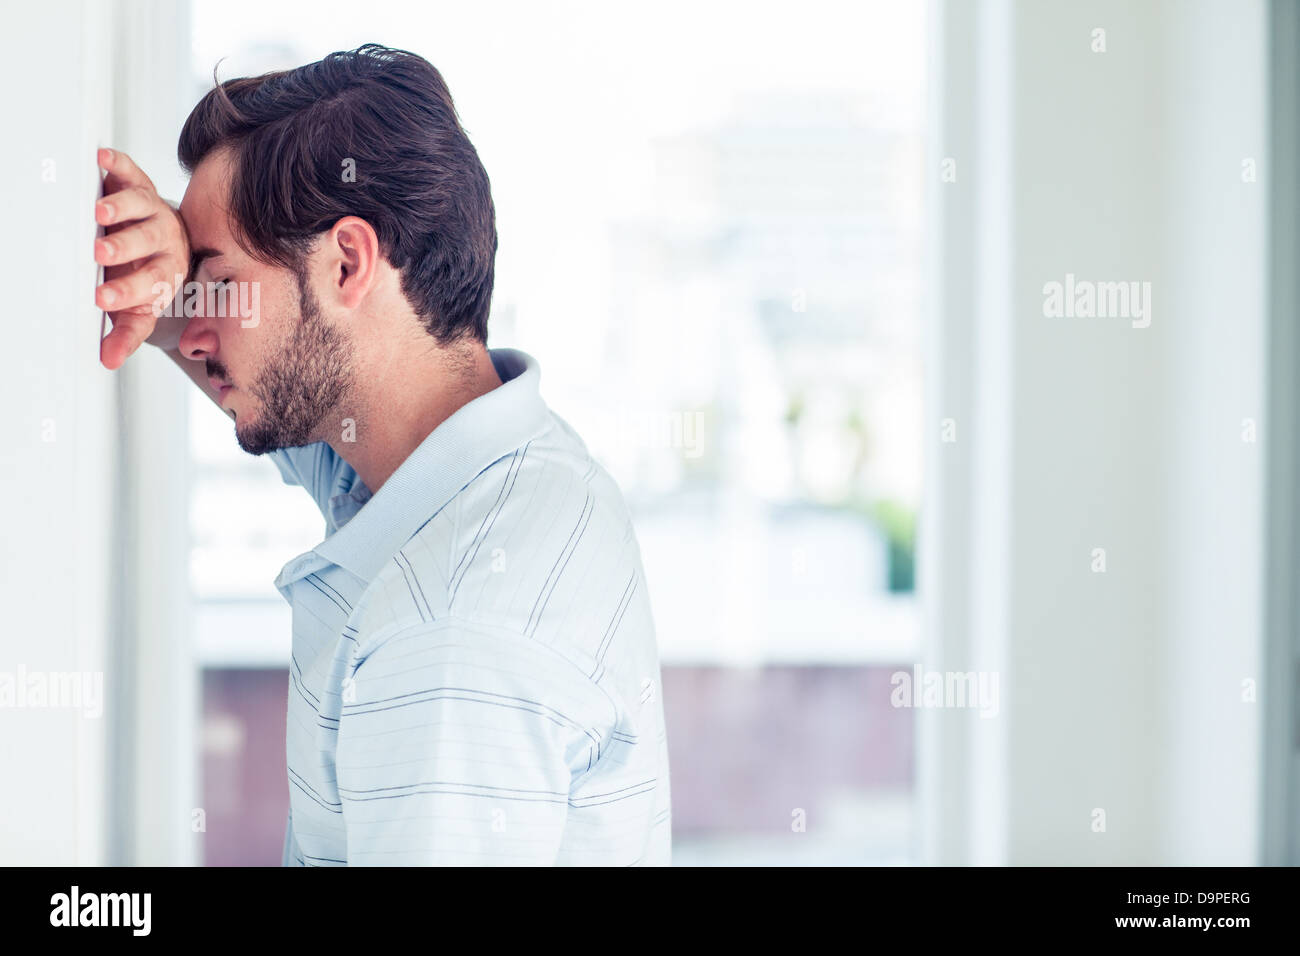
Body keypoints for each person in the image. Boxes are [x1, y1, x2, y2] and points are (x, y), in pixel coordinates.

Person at [93, 43, 670, 866]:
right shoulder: (474, 466)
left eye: (218, 280)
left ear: (348, 263)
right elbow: (246, 363)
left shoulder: (449, 630)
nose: (197, 314)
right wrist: (169, 272)